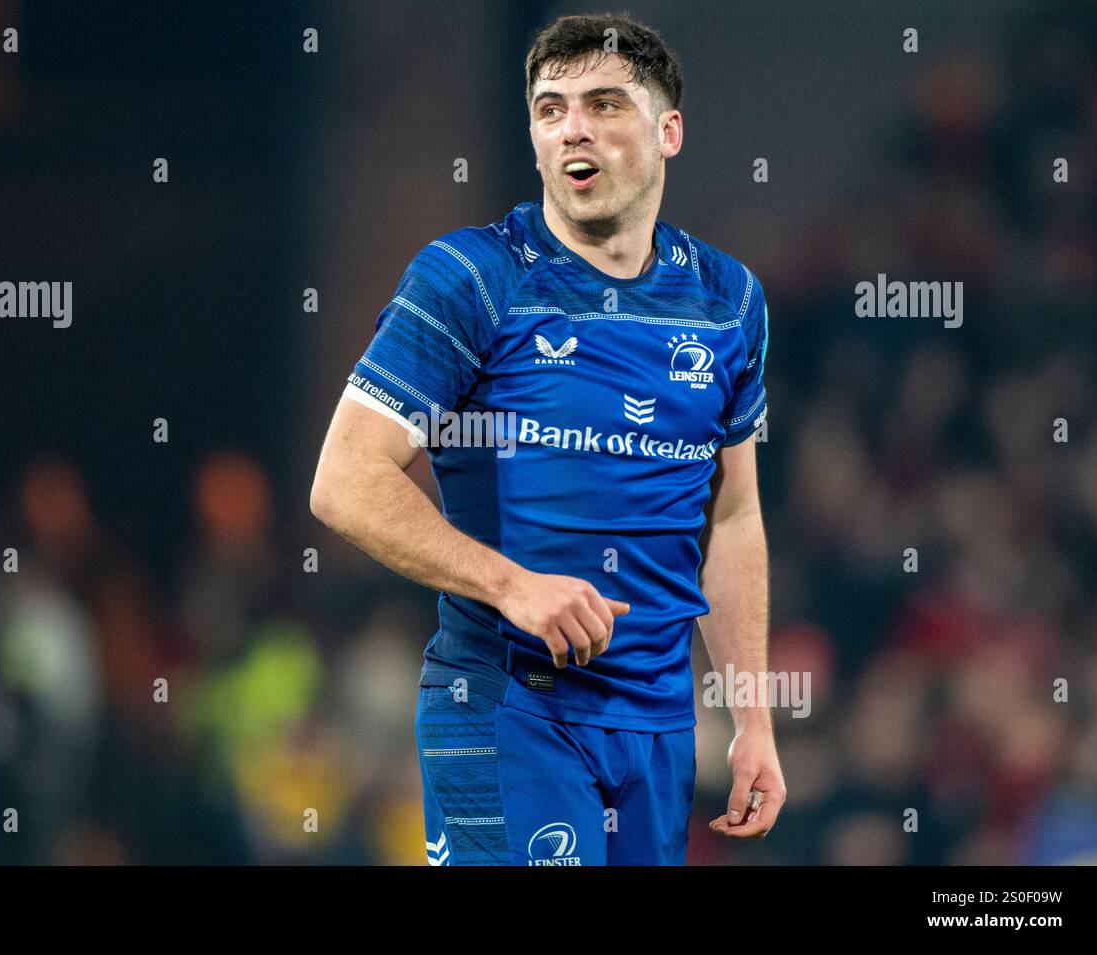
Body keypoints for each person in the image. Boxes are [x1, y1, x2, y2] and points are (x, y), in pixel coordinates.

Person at [311, 12, 784, 865]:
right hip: (505, 707)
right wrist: (512, 585)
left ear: (669, 131)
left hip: (657, 725)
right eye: (550, 107)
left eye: (605, 103)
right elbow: (344, 479)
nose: (573, 127)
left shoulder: (729, 299)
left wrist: (752, 717)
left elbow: (735, 518)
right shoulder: (471, 278)